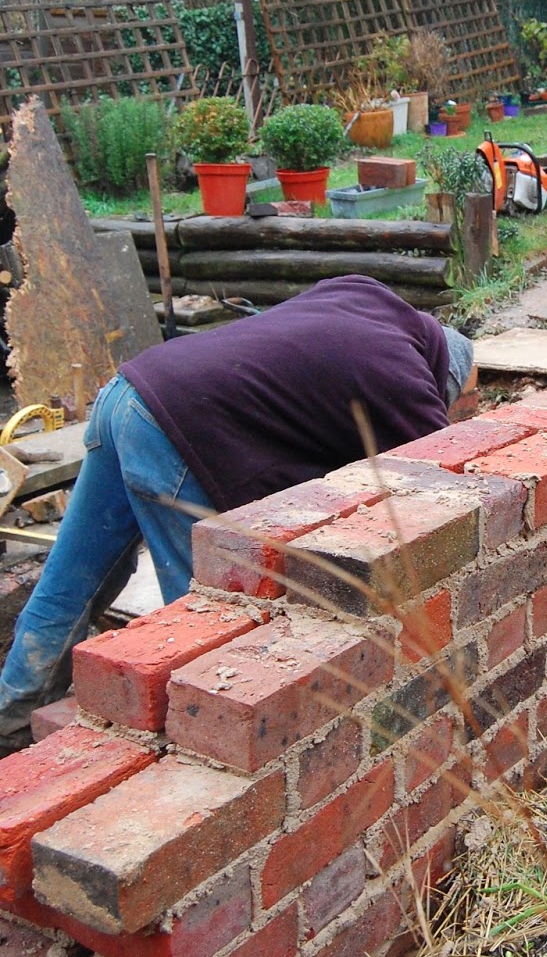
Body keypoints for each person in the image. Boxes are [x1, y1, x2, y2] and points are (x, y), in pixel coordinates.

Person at [0, 276, 474, 752]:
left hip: (129, 393)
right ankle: (188, 745)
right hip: (176, 427)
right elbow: (429, 501)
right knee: (206, 621)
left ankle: (11, 718)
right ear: (437, 379)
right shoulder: (406, 384)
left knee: (74, 579)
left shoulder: (366, 295)